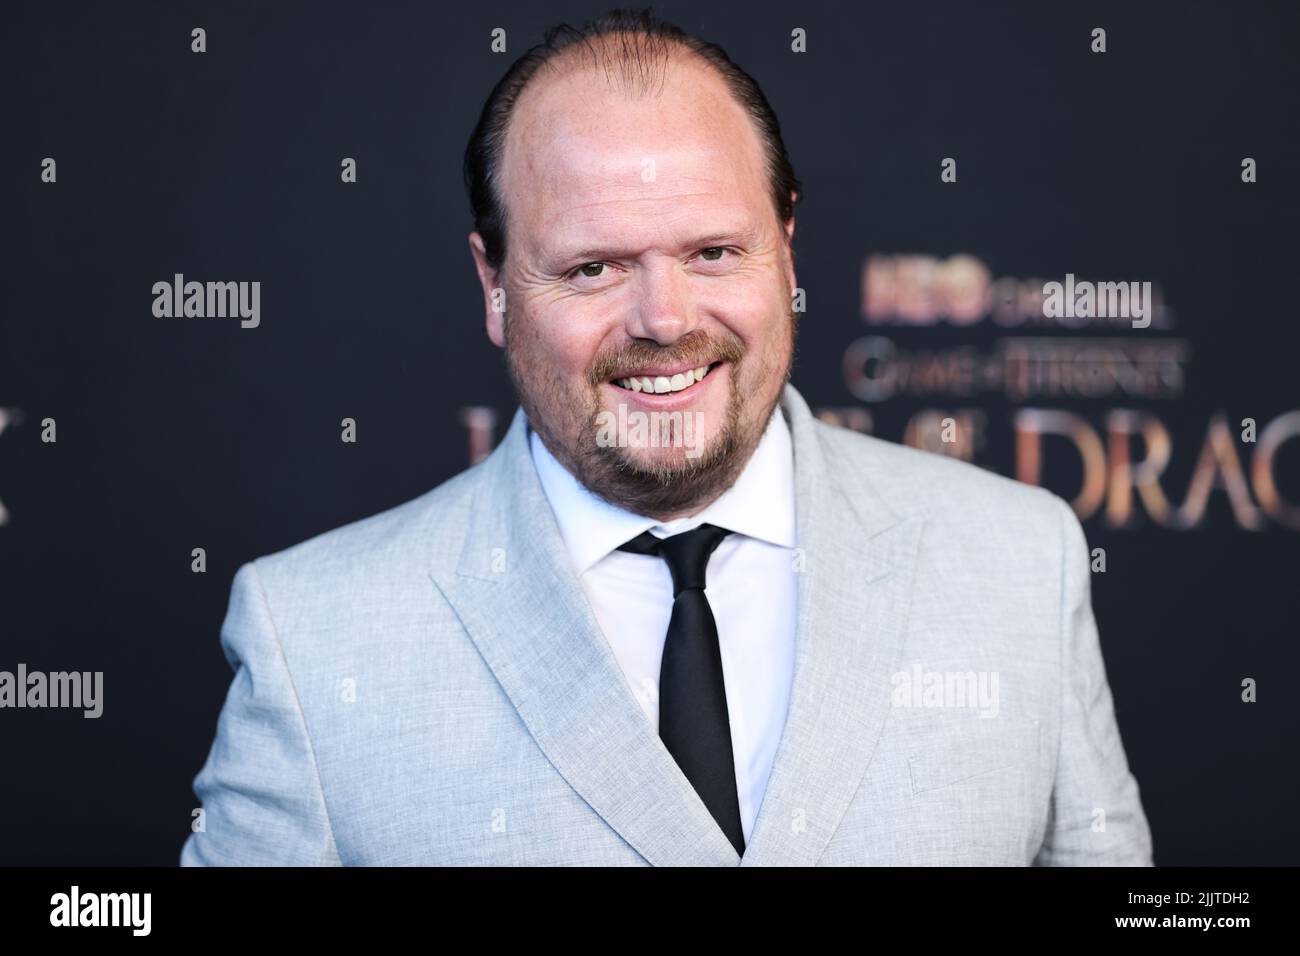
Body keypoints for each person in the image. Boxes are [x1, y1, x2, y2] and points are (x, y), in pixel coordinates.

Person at [181, 9, 1152, 866]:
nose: (663, 316)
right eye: (595, 266)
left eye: (713, 251)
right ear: (493, 285)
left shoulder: (1021, 563)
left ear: (786, 245)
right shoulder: (314, 638)